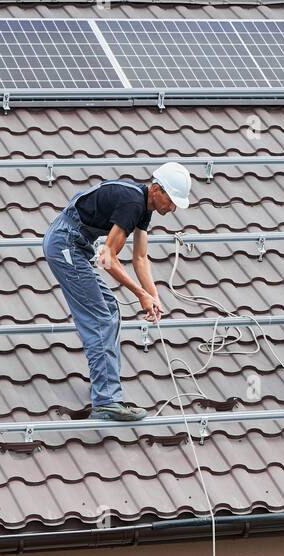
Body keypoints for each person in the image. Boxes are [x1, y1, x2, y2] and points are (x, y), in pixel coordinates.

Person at [43, 162, 193, 422]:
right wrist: (140, 294)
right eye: (171, 201)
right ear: (157, 190)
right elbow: (107, 259)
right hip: (65, 244)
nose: (173, 208)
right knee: (100, 318)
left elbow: (141, 258)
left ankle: (105, 388)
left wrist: (153, 297)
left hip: (76, 247)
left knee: (110, 309)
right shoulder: (132, 203)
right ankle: (106, 401)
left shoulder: (144, 207)